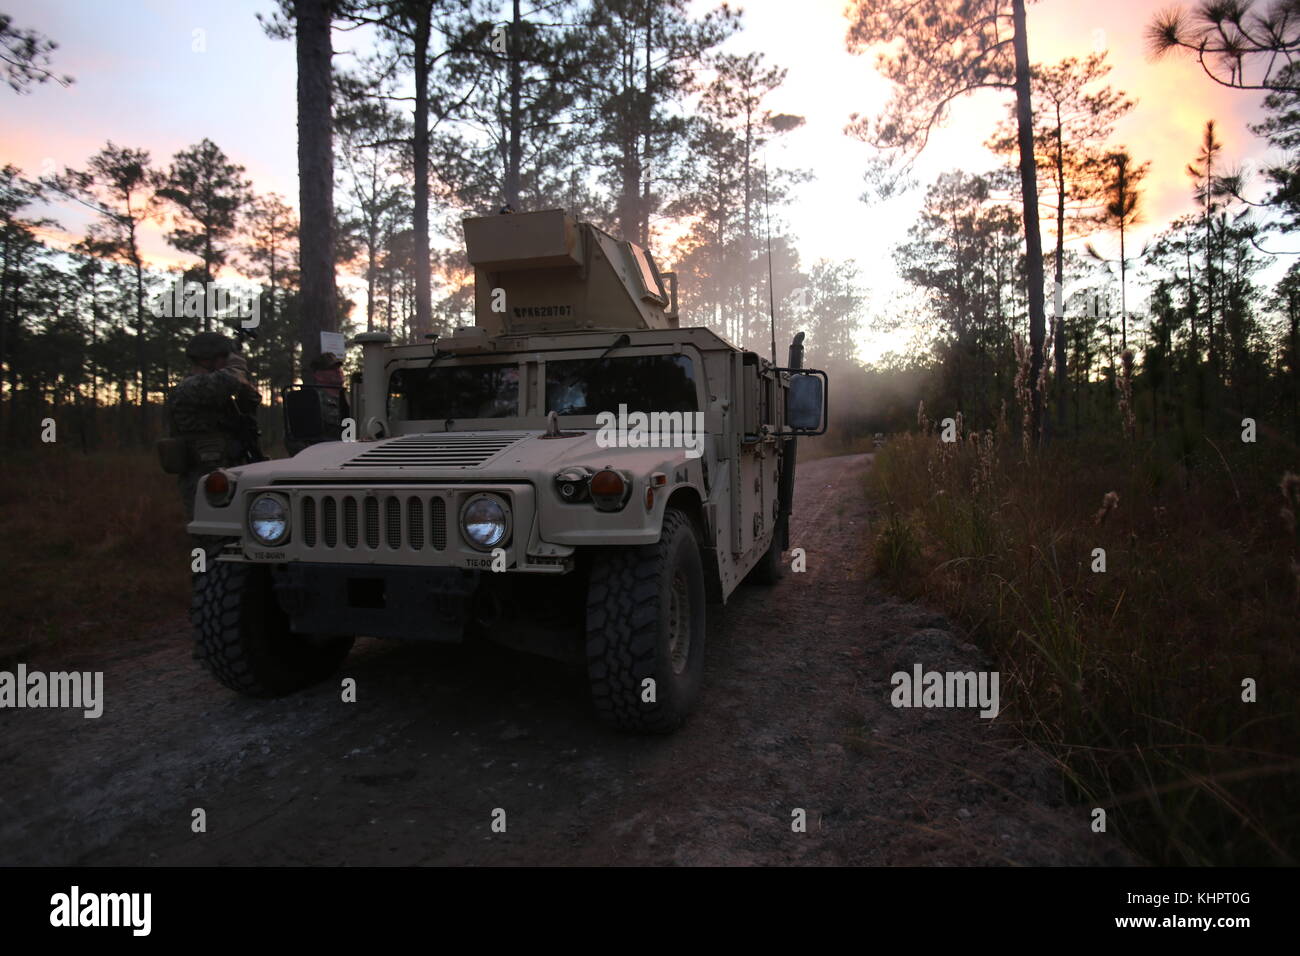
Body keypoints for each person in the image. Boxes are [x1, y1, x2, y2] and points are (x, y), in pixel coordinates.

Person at [167, 332, 263, 539]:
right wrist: (237, 365)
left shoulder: (219, 389)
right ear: (206, 359)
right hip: (204, 475)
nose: (228, 362)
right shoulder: (188, 388)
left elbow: (252, 399)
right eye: (224, 357)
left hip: (233, 469)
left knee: (244, 533)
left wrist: (242, 380)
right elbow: (226, 381)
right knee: (211, 535)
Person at [286, 351, 351, 455]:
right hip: (325, 460)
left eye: (338, 367)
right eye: (331, 369)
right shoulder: (307, 400)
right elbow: (295, 441)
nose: (338, 371)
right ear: (318, 375)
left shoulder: (353, 398)